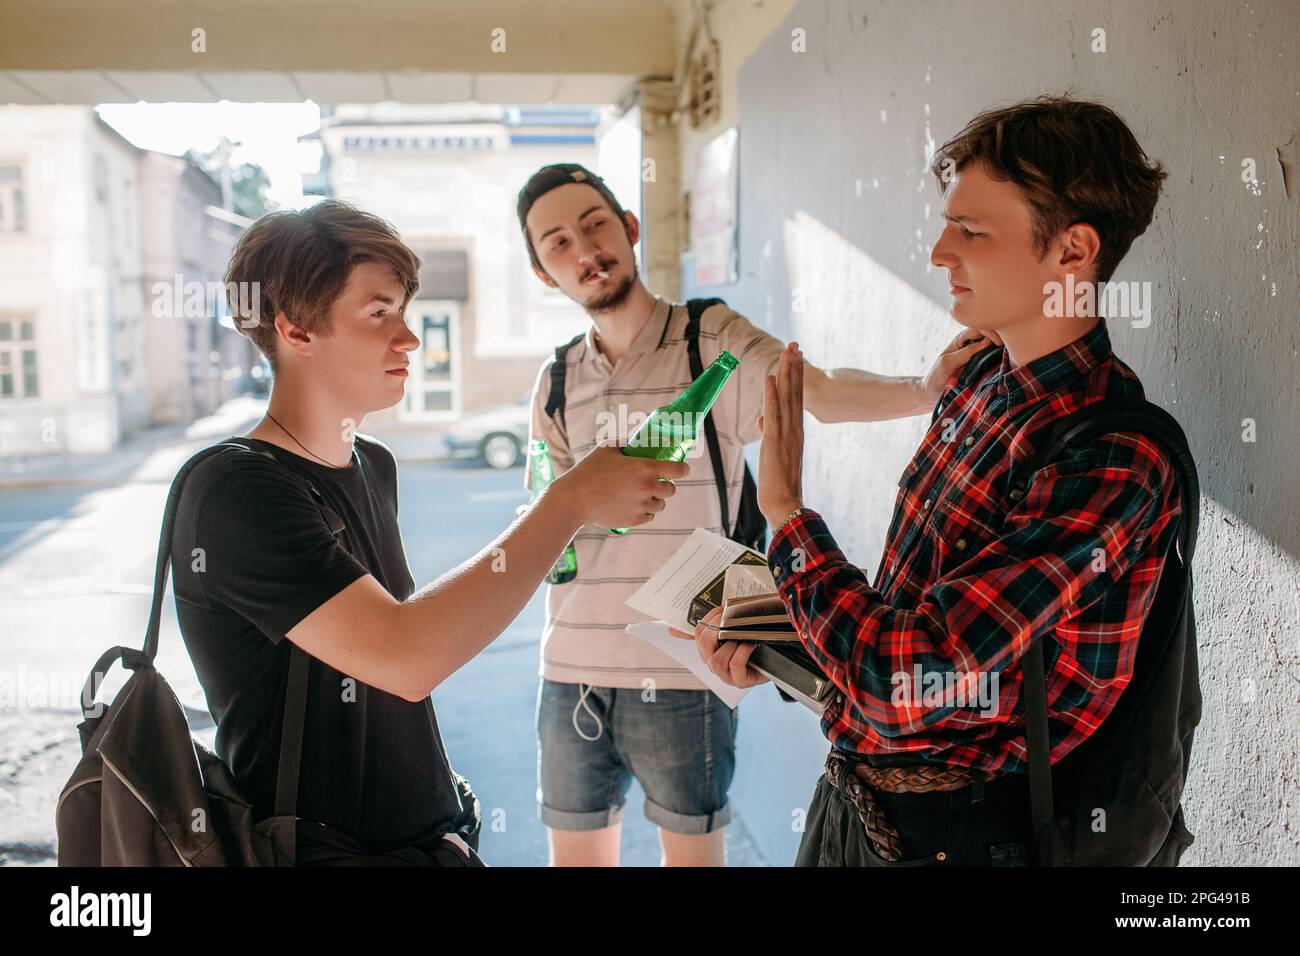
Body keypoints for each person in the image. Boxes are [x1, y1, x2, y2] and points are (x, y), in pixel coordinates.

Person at [694, 95, 1181, 866]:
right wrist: (777, 638)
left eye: (972, 230)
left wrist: (787, 516)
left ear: (1072, 251)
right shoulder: (979, 377)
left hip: (962, 838)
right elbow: (909, 618)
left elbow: (904, 675)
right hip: (853, 804)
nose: (937, 251)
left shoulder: (1110, 457)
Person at [171, 200, 687, 865]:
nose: (409, 339)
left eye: (404, 313)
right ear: (295, 330)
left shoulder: (370, 464)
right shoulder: (237, 491)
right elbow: (406, 658)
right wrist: (567, 503)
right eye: (380, 313)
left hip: (428, 843)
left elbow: (409, 631)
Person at [518, 163, 995, 866]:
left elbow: (818, 394)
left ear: (630, 228)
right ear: (542, 272)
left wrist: (923, 388)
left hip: (681, 668)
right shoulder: (555, 380)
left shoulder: (705, 338)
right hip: (568, 671)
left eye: (593, 223)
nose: (583, 248)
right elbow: (545, 528)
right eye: (556, 242)